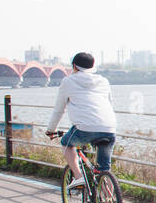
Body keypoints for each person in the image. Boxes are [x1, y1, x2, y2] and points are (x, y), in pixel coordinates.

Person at [45, 52, 118, 183]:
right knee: (104, 169)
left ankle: (79, 178)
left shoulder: (67, 81)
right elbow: (110, 104)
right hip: (109, 128)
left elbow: (59, 110)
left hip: (84, 129)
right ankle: (109, 198)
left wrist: (51, 130)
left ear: (74, 66)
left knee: (66, 144)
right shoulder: (104, 81)